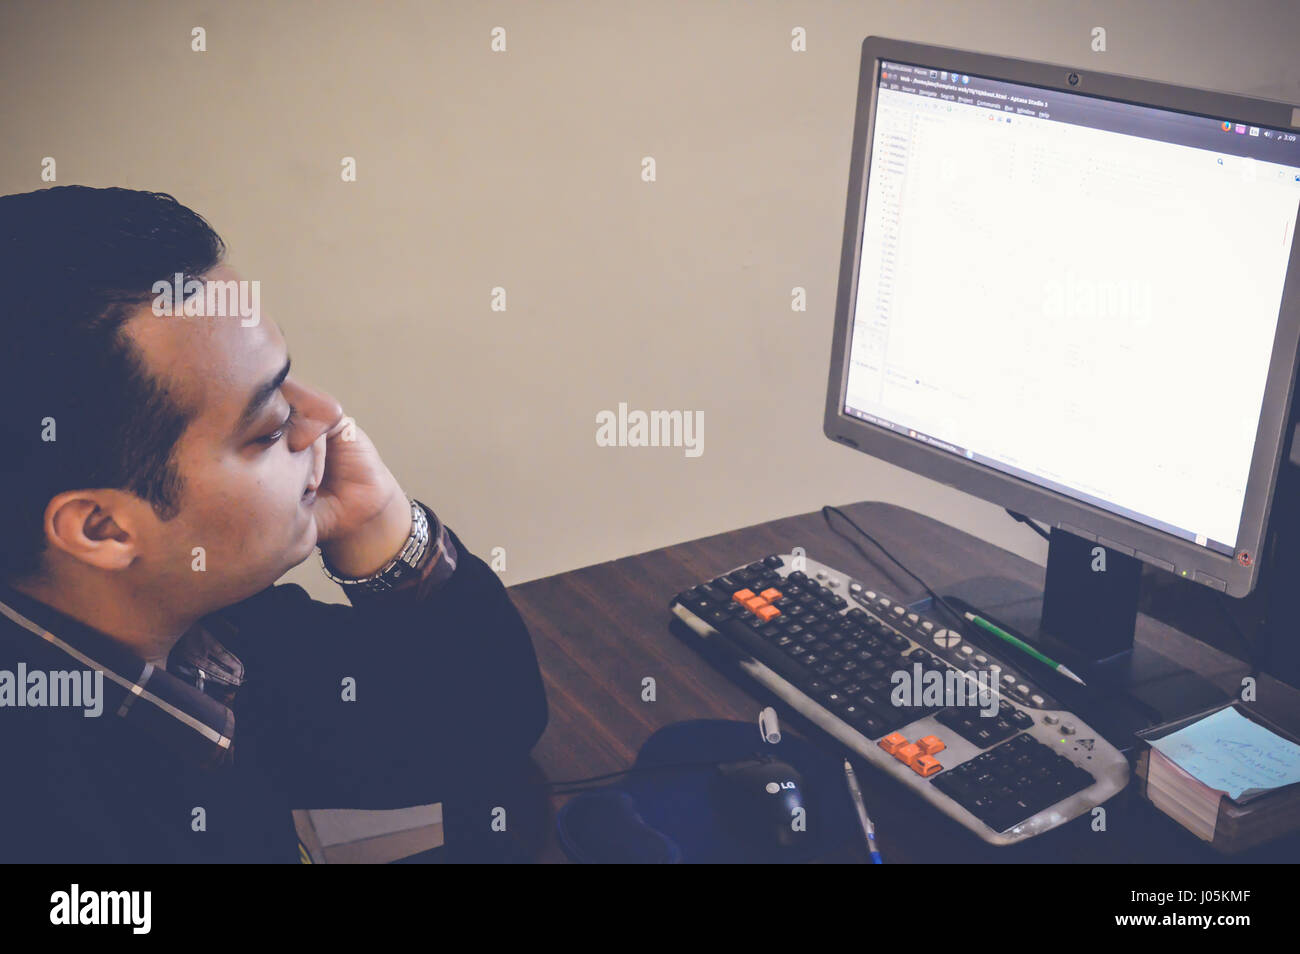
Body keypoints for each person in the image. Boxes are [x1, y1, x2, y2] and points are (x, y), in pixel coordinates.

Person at [0, 186, 549, 862]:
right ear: (104, 530)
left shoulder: (204, 622)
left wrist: (378, 520)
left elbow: (482, 725)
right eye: (265, 427)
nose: (322, 416)